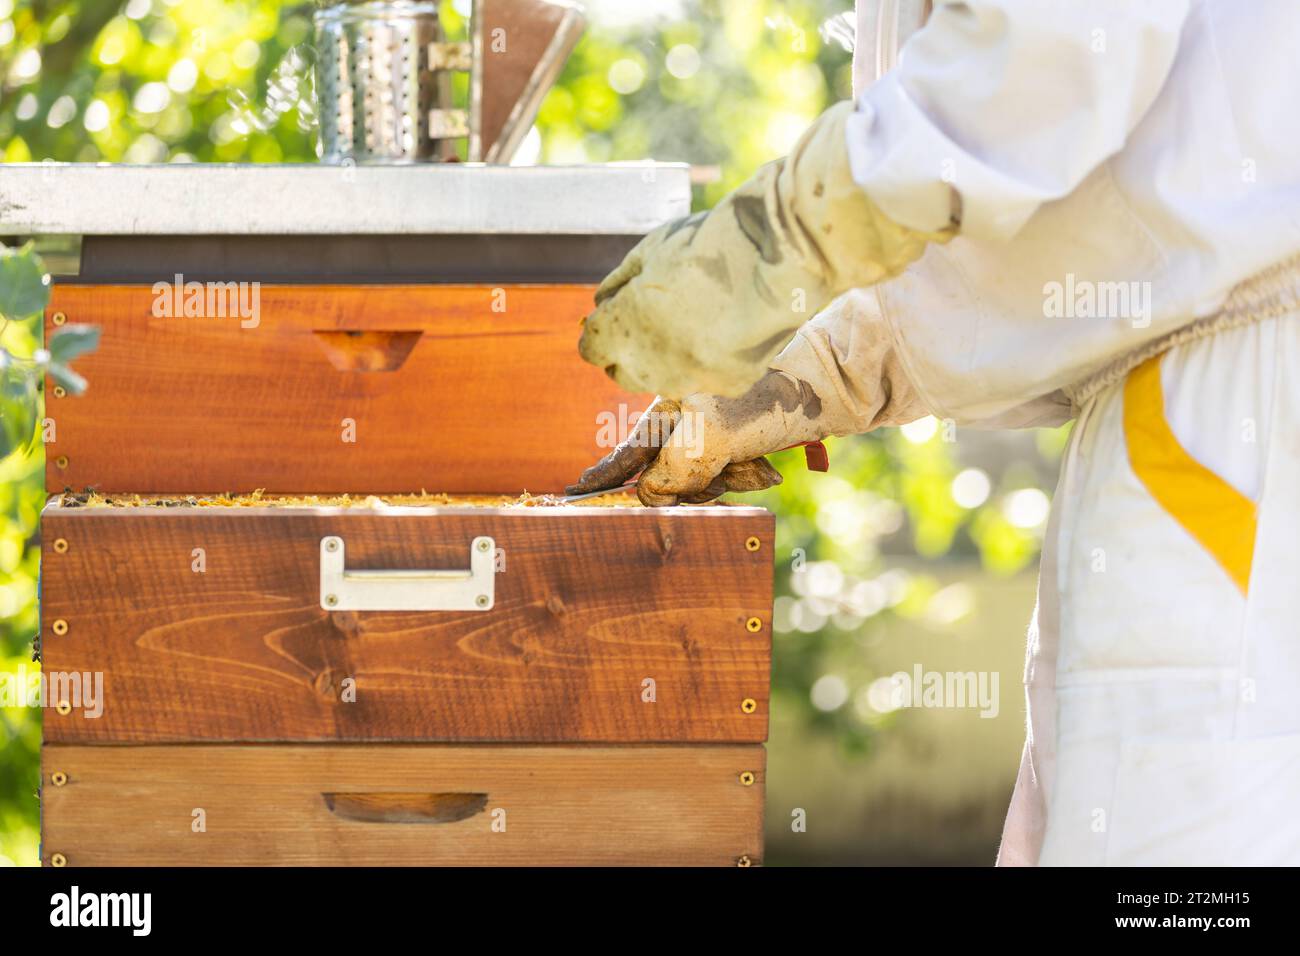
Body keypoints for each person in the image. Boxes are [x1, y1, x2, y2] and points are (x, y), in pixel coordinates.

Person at [568, 0, 1300, 865]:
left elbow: (1045, 53)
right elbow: (1043, 250)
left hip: (1233, 402)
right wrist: (814, 372)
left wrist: (768, 245)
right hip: (1195, 398)